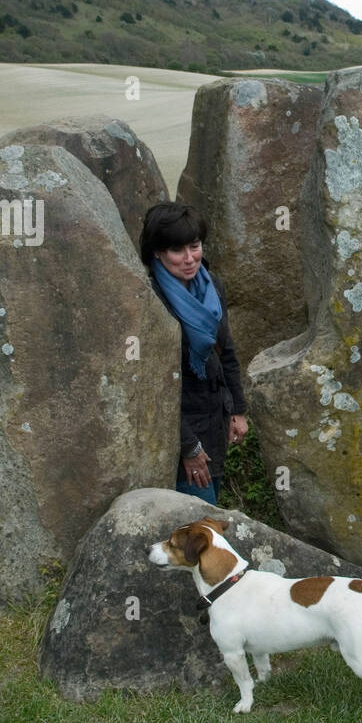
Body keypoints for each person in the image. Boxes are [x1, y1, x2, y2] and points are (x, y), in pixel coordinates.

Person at [140, 201, 249, 505]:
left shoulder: (211, 285)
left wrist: (237, 410)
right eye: (177, 250)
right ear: (157, 252)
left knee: (209, 511)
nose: (189, 259)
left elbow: (225, 351)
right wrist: (187, 447)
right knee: (198, 523)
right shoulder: (151, 297)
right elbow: (153, 384)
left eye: (194, 246)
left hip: (215, 419)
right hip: (178, 430)